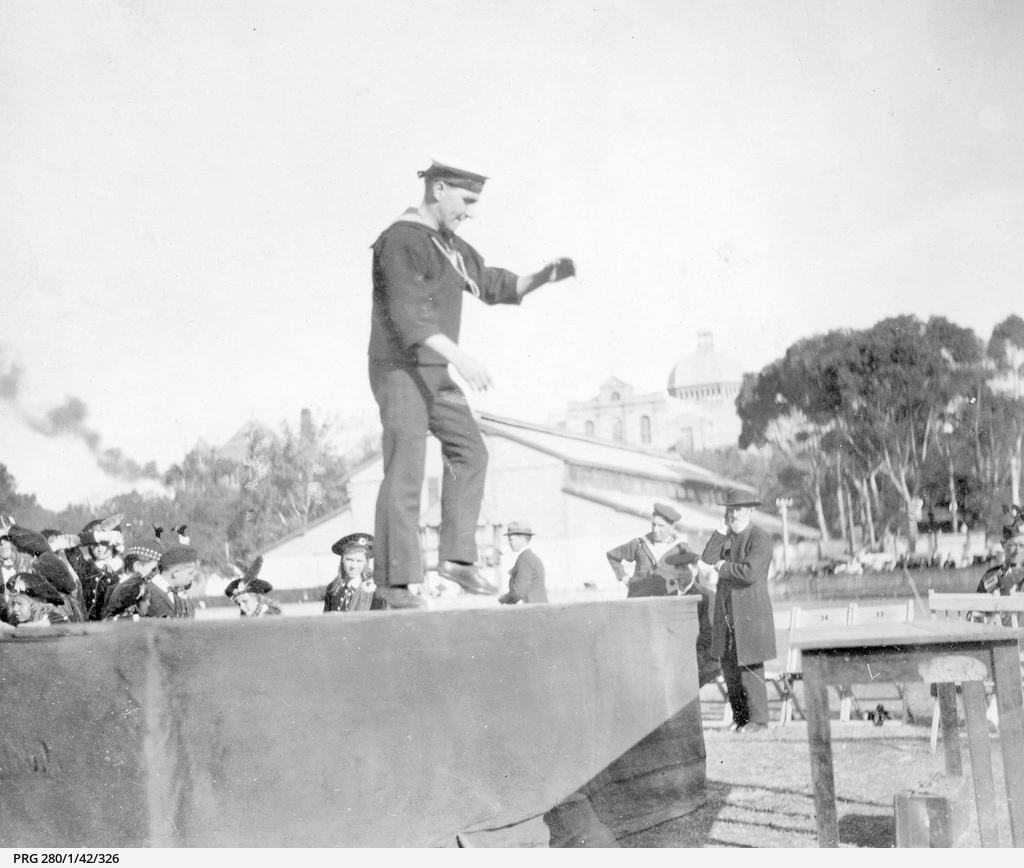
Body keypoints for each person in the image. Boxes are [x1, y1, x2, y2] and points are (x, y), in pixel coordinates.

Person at [368, 158, 575, 609]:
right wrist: (461, 356)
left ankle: (457, 560)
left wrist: (542, 277)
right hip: (400, 369)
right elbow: (408, 313)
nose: (471, 212)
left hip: (432, 368)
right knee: (406, 465)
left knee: (470, 450)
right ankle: (393, 582)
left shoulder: (449, 246)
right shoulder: (400, 240)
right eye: (467, 201)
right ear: (438, 189)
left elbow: (492, 283)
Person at [700, 489, 776, 733]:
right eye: (730, 510)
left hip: (751, 611)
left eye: (738, 509)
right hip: (726, 612)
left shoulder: (760, 537)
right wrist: (720, 531)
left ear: (751, 510)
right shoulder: (727, 535)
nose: (733, 514)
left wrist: (722, 568)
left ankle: (759, 720)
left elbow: (750, 572)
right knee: (729, 666)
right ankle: (741, 719)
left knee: (751, 666)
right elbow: (707, 558)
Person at [606, 503, 692, 597]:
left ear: (672, 526)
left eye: (661, 526)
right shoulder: (640, 544)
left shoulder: (681, 548)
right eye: (653, 524)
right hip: (639, 601)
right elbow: (612, 555)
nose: (655, 529)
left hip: (667, 603)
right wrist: (624, 577)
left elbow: (692, 576)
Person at [663, 550, 720, 688]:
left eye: (683, 568)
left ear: (695, 570)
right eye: (676, 568)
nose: (678, 573)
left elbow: (708, 634)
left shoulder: (707, 597)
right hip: (675, 656)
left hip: (702, 658)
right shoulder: (668, 598)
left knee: (682, 682)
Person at [324, 533, 388, 612]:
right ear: (342, 560)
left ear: (366, 562)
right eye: (349, 560)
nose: (353, 566)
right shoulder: (333, 588)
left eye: (359, 561)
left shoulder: (375, 589)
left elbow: (379, 621)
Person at [498, 521, 548, 605]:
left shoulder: (525, 559)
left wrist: (503, 599)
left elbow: (518, 592)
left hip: (532, 611)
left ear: (521, 538)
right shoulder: (529, 557)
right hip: (537, 609)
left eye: (510, 539)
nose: (509, 543)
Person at [144, 544, 198, 619]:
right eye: (190, 573)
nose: (191, 577)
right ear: (175, 573)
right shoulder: (147, 592)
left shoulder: (178, 593)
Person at [5, 572, 71, 626]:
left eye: (20, 604)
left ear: (36, 602)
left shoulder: (52, 619)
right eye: (13, 604)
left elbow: (62, 621)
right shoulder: (16, 622)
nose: (15, 609)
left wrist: (29, 627)